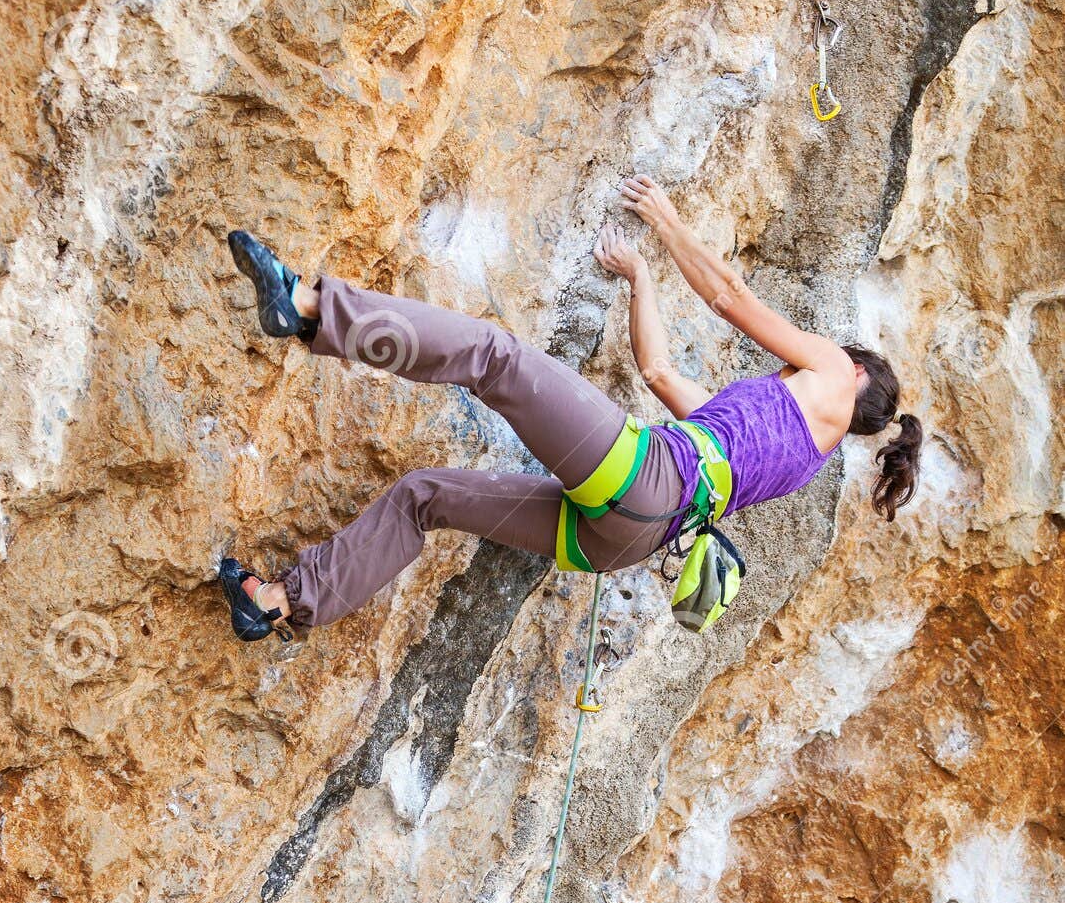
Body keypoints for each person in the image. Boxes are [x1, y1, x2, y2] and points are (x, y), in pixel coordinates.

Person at [220, 176, 922, 643]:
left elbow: (731, 298)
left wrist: (669, 226)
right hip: (620, 540)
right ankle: (278, 603)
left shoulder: (831, 371)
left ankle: (311, 312)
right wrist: (641, 279)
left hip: (646, 479)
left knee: (494, 358)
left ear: (854, 370)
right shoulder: (796, 456)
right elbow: (659, 373)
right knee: (423, 496)